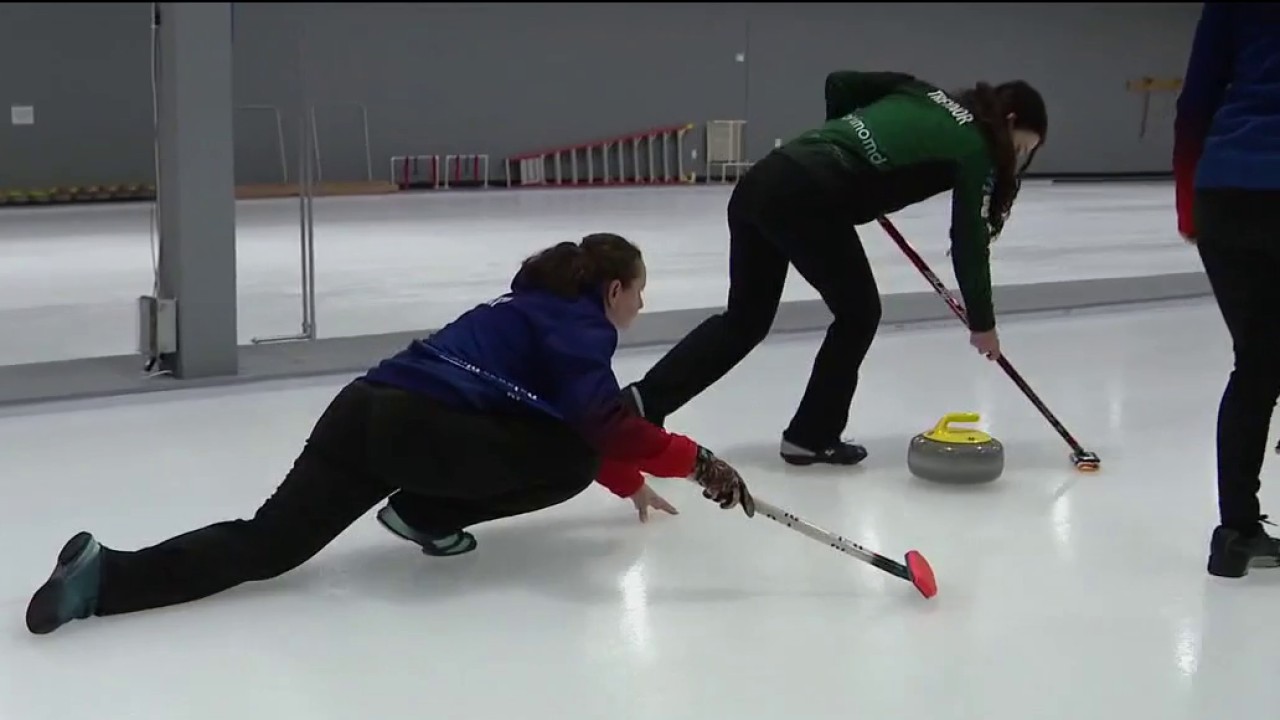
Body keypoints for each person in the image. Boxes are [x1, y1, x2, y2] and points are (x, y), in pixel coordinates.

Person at [24, 233, 755, 635]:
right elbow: (596, 426)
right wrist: (697, 460)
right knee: (574, 458)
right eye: (640, 295)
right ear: (616, 290)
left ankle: (103, 578)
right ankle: (423, 513)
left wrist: (630, 479)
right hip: (425, 430)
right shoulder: (581, 324)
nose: (637, 308)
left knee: (266, 544)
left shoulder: (522, 308)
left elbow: (565, 414)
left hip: (366, 408)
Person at [620, 71, 1047, 466]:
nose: (1018, 158)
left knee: (745, 319)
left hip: (767, 178)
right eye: (1023, 147)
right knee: (859, 313)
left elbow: (839, 84)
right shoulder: (976, 146)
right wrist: (983, 322)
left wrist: (850, 150)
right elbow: (969, 242)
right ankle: (812, 435)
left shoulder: (922, 92)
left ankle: (641, 404)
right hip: (808, 198)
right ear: (1008, 122)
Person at [1172, 3, 1280, 577]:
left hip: (1227, 195)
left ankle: (1235, 533)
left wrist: (1190, 206)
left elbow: (1195, 104)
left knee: (1256, 367)